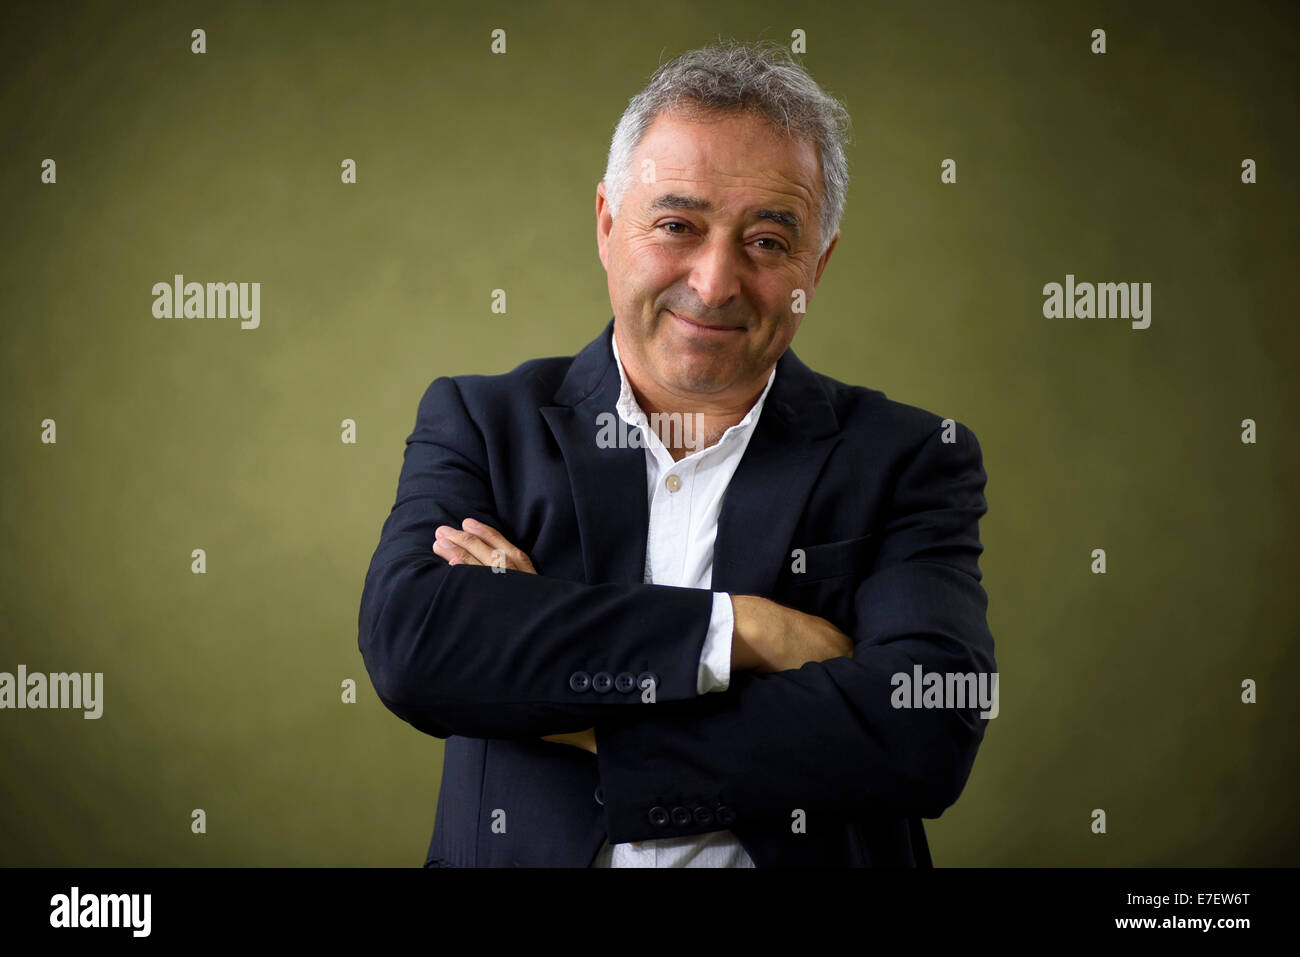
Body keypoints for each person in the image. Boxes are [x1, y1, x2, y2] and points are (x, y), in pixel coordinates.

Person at [358, 39, 995, 868]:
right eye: (676, 225)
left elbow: (927, 728)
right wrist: (744, 633)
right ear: (607, 225)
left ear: (818, 263)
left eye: (768, 240)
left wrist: (552, 684)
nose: (716, 279)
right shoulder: (483, 422)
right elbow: (416, 649)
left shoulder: (910, 457)